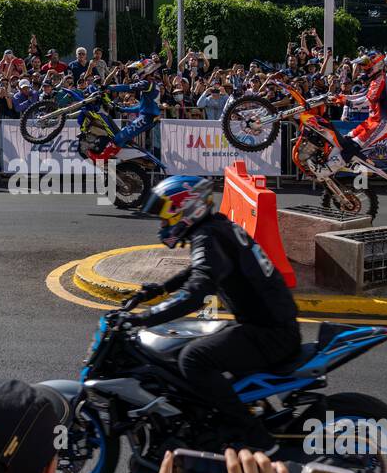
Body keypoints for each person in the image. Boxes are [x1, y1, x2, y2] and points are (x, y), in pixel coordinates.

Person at [122, 176, 301, 454]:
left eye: (164, 216)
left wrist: (146, 318)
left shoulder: (208, 236)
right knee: (207, 342)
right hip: (269, 326)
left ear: (184, 208)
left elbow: (198, 290)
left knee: (193, 358)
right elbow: (200, 271)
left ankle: (258, 440)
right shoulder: (215, 228)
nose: (162, 224)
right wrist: (158, 289)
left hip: (269, 333)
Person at [328, 51, 387, 167]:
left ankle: (329, 169)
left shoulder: (380, 80)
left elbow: (367, 101)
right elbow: (362, 95)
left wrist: (346, 101)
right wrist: (341, 96)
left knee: (354, 145)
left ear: (374, 65)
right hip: (372, 120)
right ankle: (339, 162)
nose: (362, 69)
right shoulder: (376, 80)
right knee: (346, 138)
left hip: (380, 122)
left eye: (365, 65)